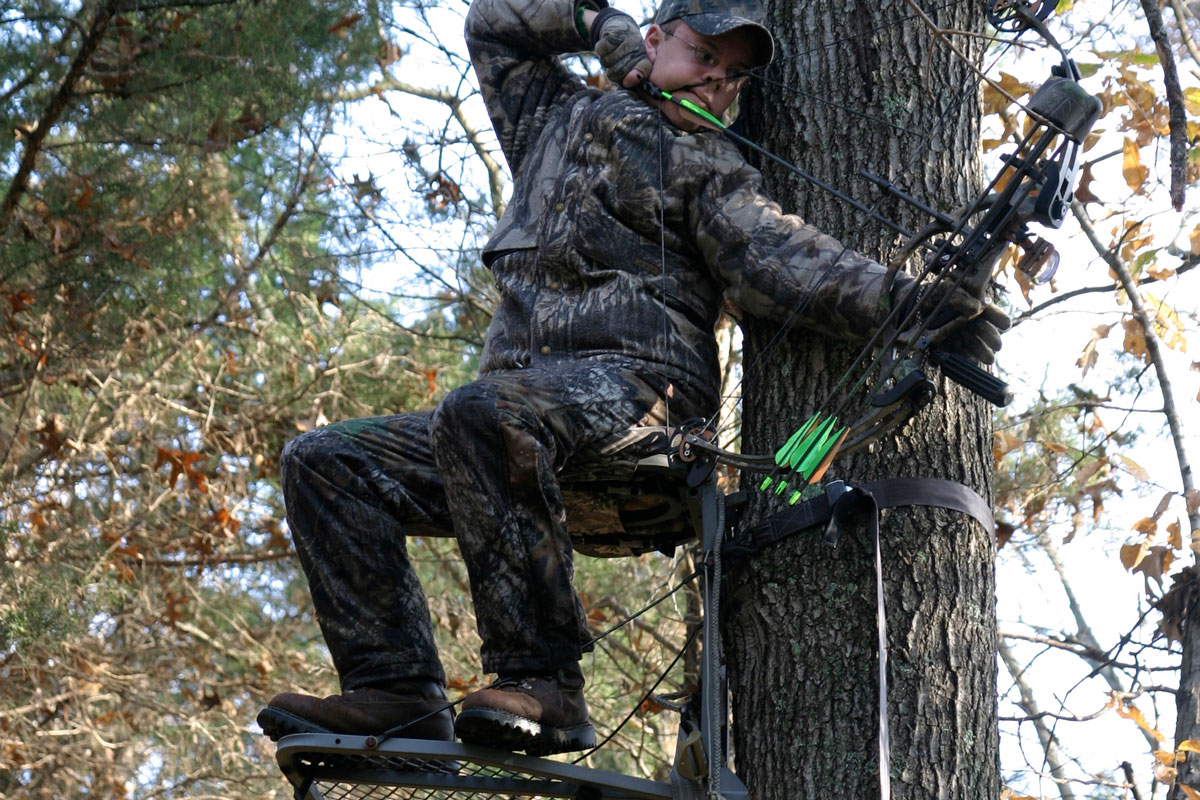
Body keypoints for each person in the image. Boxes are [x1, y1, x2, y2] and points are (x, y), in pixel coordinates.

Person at [257, 0, 1006, 757]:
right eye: (706, 55)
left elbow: (779, 261)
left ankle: (544, 684)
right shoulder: (550, 115)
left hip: (643, 410)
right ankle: (393, 692)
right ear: (655, 39)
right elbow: (494, 24)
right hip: (506, 432)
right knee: (326, 463)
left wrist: (908, 301)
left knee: (484, 413)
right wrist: (598, 29)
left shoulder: (710, 166)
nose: (716, 82)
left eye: (733, 76)